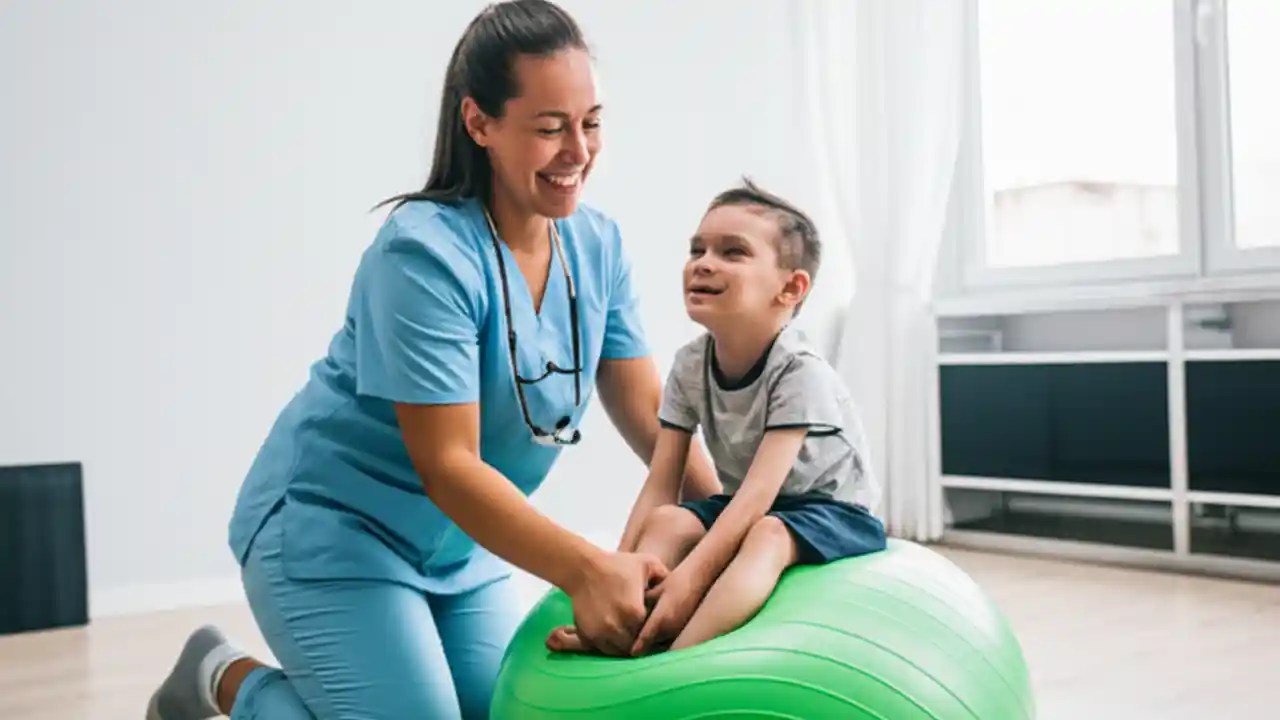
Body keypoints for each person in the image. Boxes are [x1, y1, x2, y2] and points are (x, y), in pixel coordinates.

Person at [146, 2, 719, 718]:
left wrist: (727, 517)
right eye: (550, 128)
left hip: (457, 552)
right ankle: (220, 677)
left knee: (513, 710)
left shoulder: (596, 247)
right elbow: (448, 465)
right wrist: (585, 569)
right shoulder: (423, 254)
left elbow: (649, 414)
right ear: (479, 123)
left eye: (591, 122)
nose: (579, 150)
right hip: (334, 531)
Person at [546, 180, 886, 657]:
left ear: (791, 287)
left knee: (768, 534)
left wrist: (690, 578)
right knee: (668, 520)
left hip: (830, 511)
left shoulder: (799, 371)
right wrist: (612, 574)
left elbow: (755, 498)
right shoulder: (689, 364)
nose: (704, 263)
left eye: (733, 252)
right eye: (697, 249)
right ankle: (621, 631)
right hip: (754, 504)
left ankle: (677, 654)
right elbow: (663, 482)